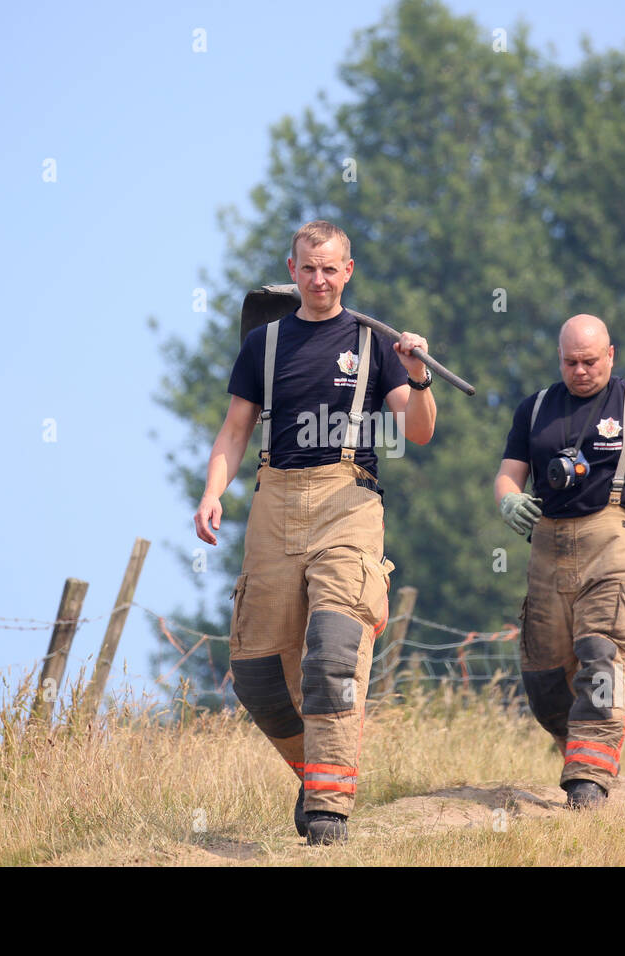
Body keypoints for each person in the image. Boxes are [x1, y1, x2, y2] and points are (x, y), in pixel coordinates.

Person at [194, 220, 437, 844]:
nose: (320, 279)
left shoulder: (375, 343)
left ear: (348, 271)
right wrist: (212, 493)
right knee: (255, 673)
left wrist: (418, 377)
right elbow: (234, 430)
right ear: (292, 269)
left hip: (348, 502)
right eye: (309, 268)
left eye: (331, 269)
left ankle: (329, 809)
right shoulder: (264, 343)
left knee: (332, 651)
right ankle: (320, 771)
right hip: (273, 501)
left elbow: (418, 432)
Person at [493, 314, 625, 809]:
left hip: (616, 544)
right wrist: (508, 500)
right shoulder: (535, 409)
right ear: (559, 359)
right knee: (543, 679)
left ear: (611, 355)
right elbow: (508, 475)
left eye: (590, 361)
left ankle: (588, 780)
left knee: (601, 652)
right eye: (570, 362)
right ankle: (587, 754)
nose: (581, 371)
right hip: (548, 549)